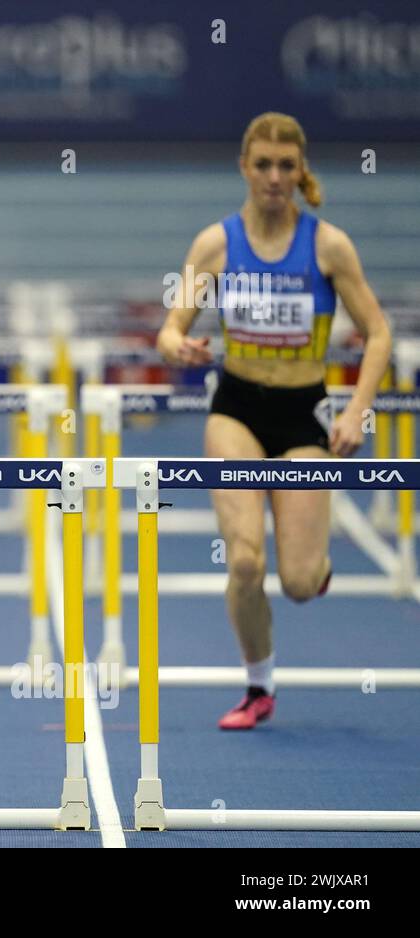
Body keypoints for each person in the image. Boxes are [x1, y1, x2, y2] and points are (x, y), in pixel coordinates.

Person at [157, 112, 392, 730]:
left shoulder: (327, 245)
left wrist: (358, 413)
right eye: (263, 165)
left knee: (296, 580)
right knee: (243, 562)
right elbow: (170, 328)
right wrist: (177, 345)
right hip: (236, 409)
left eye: (286, 167)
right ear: (245, 167)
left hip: (303, 418)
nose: (274, 177)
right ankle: (258, 687)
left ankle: (315, 568)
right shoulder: (217, 242)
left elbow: (378, 334)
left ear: (300, 171)